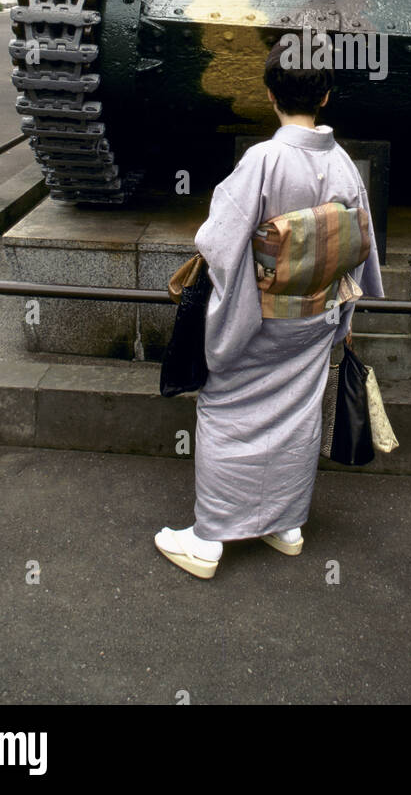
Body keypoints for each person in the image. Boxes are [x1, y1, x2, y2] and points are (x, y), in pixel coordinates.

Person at [155, 39, 385, 579]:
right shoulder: (346, 164)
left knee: (224, 410)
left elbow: (218, 242)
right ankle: (285, 524)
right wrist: (343, 318)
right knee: (297, 414)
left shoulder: (263, 158)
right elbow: (359, 244)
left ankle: (209, 539)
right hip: (317, 314)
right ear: (326, 95)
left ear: (268, 94)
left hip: (259, 314)